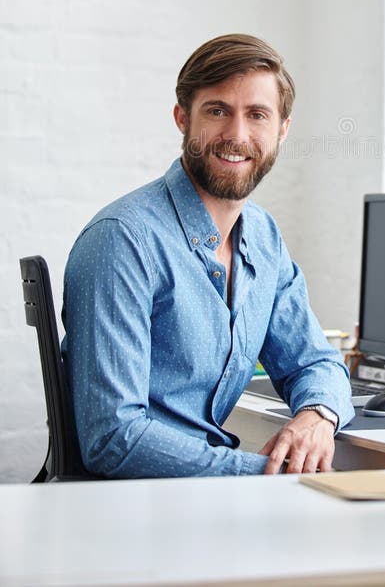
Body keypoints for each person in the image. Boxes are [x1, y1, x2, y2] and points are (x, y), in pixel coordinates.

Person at [62, 33, 354, 478]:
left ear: (282, 129)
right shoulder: (123, 241)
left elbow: (314, 361)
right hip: (127, 514)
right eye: (217, 111)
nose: (237, 136)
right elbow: (112, 440)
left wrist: (317, 415)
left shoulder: (262, 237)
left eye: (257, 115)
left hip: (203, 504)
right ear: (183, 118)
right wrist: (265, 477)